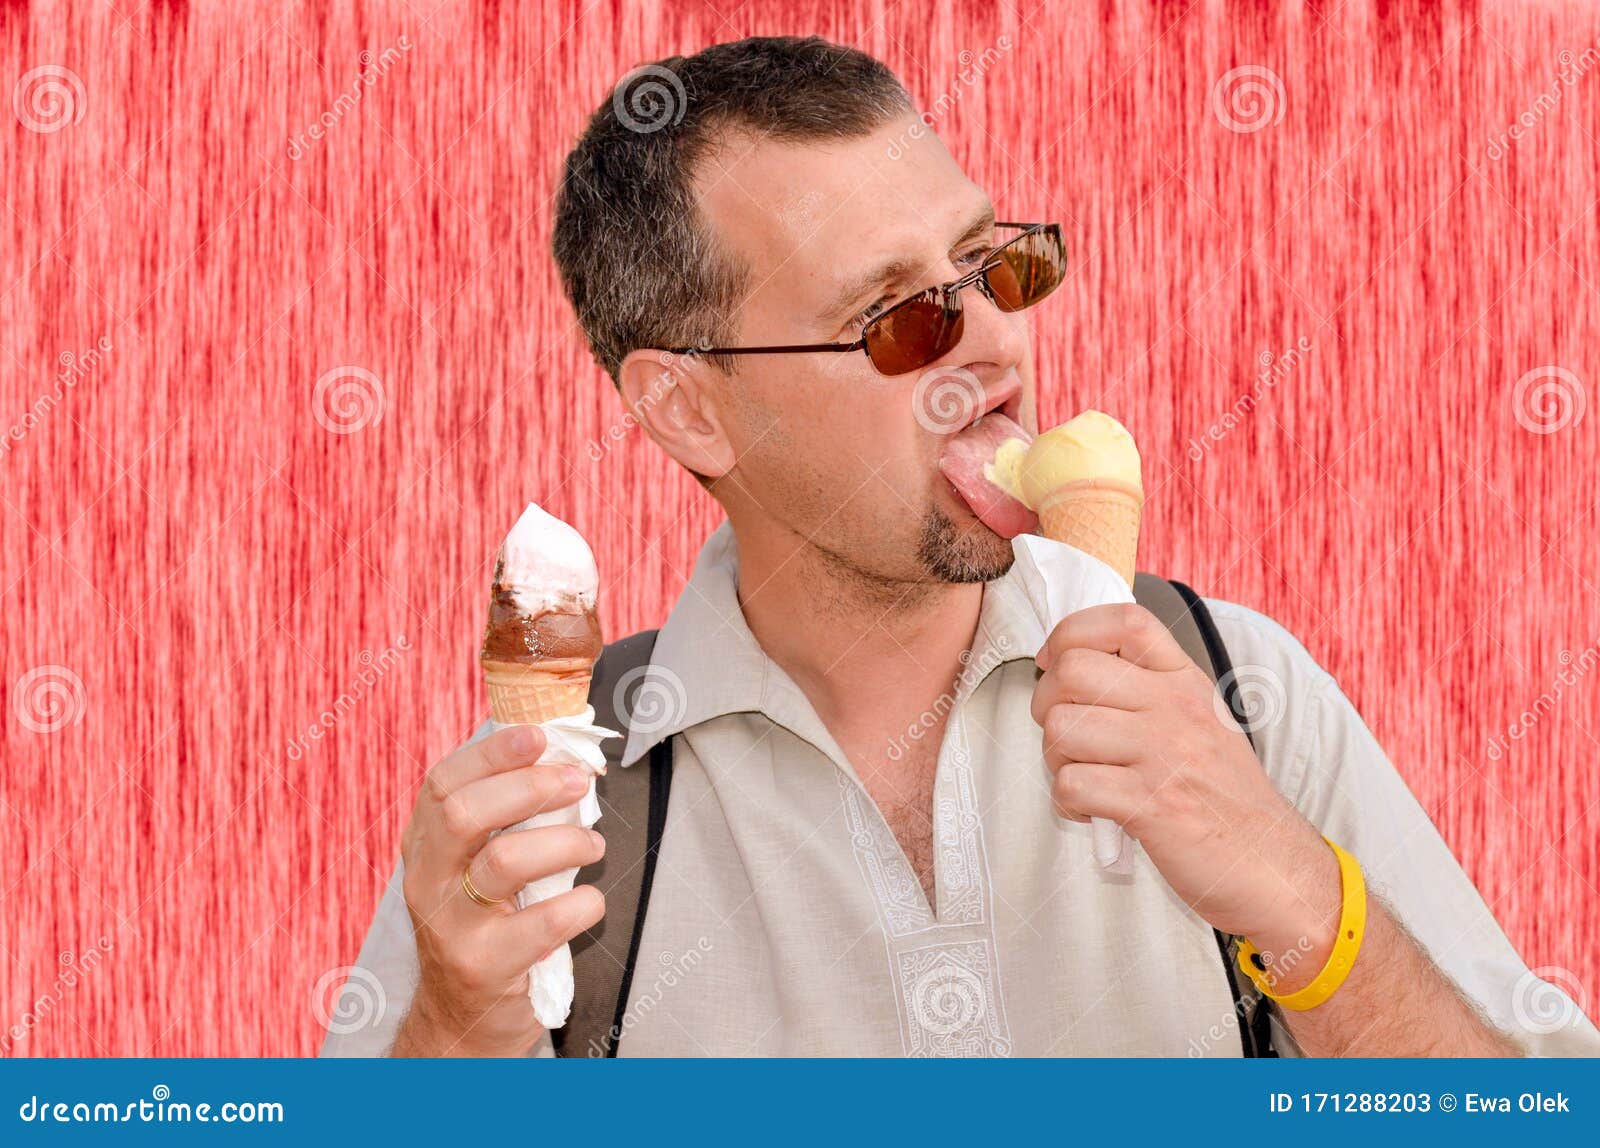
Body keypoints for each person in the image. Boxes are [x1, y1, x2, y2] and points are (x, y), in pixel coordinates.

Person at [322, 36, 1598, 1057]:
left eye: (990, 264)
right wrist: (458, 1027)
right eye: (895, 316)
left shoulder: (1237, 692)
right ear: (687, 407)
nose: (994, 342)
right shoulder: (555, 815)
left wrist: (1302, 901)